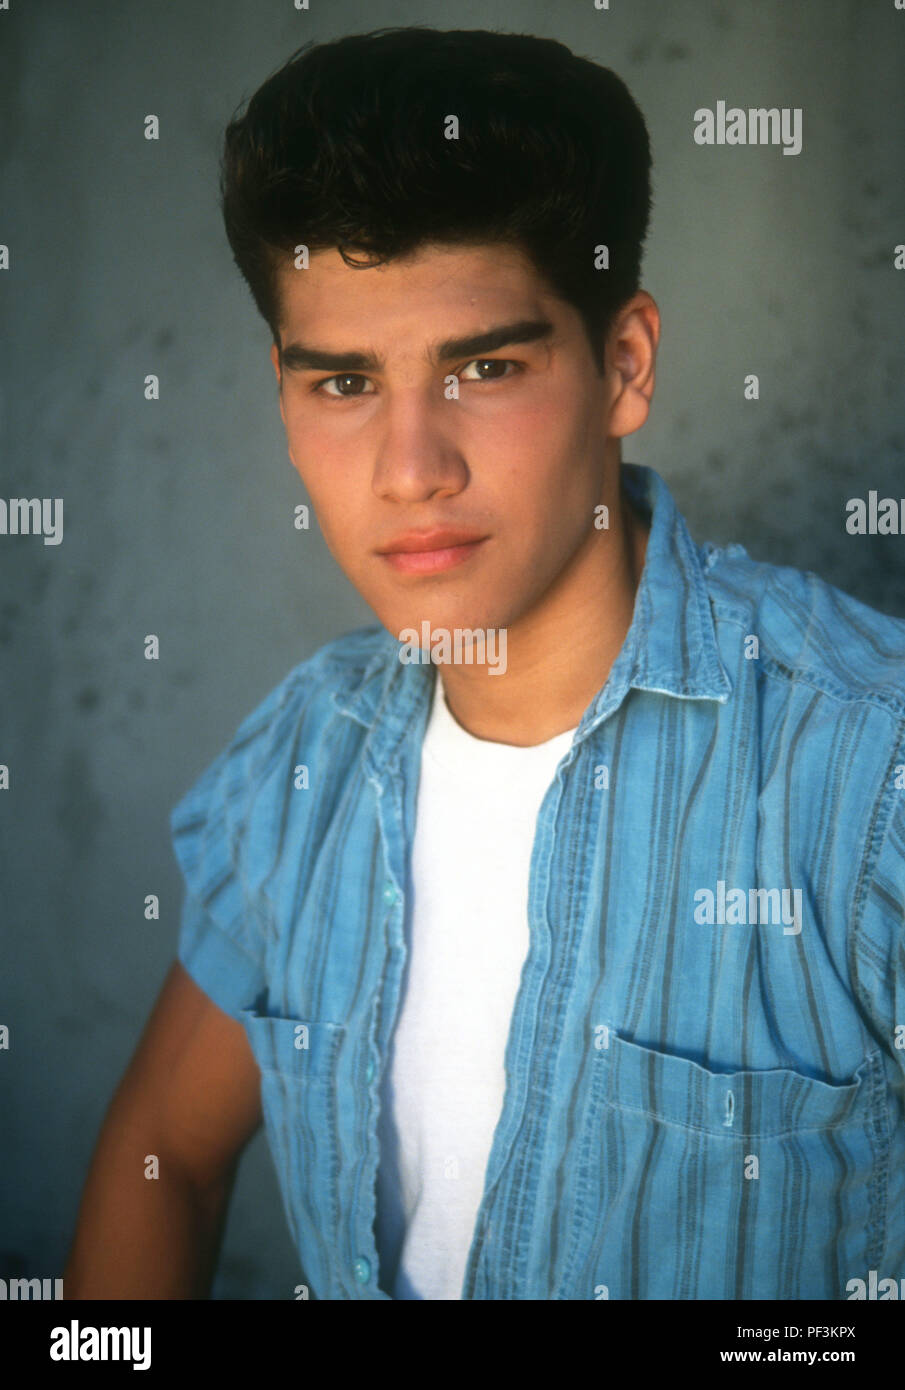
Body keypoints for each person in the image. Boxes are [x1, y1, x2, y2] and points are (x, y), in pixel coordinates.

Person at [64, 26, 905, 1301]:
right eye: (344, 382)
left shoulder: (868, 772)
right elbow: (161, 1157)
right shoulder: (307, 756)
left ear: (623, 364)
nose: (410, 467)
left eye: (484, 367)